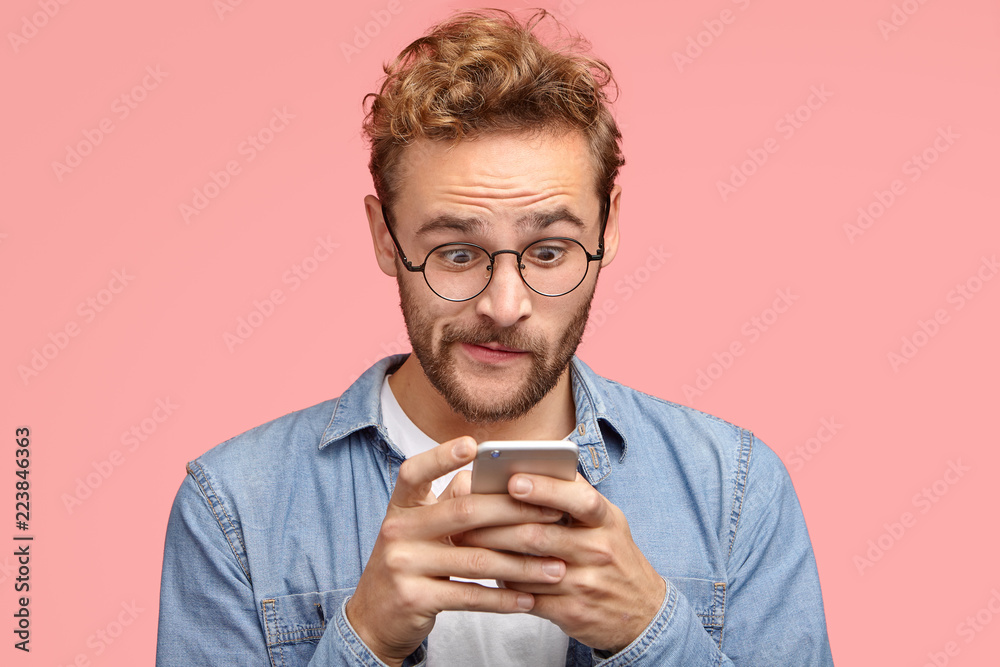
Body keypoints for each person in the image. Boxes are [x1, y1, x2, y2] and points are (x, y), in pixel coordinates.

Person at [156, 9, 833, 666]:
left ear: (608, 228)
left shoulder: (736, 489)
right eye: (455, 252)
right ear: (385, 238)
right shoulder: (234, 506)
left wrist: (648, 630)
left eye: (548, 251)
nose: (503, 306)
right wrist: (364, 639)